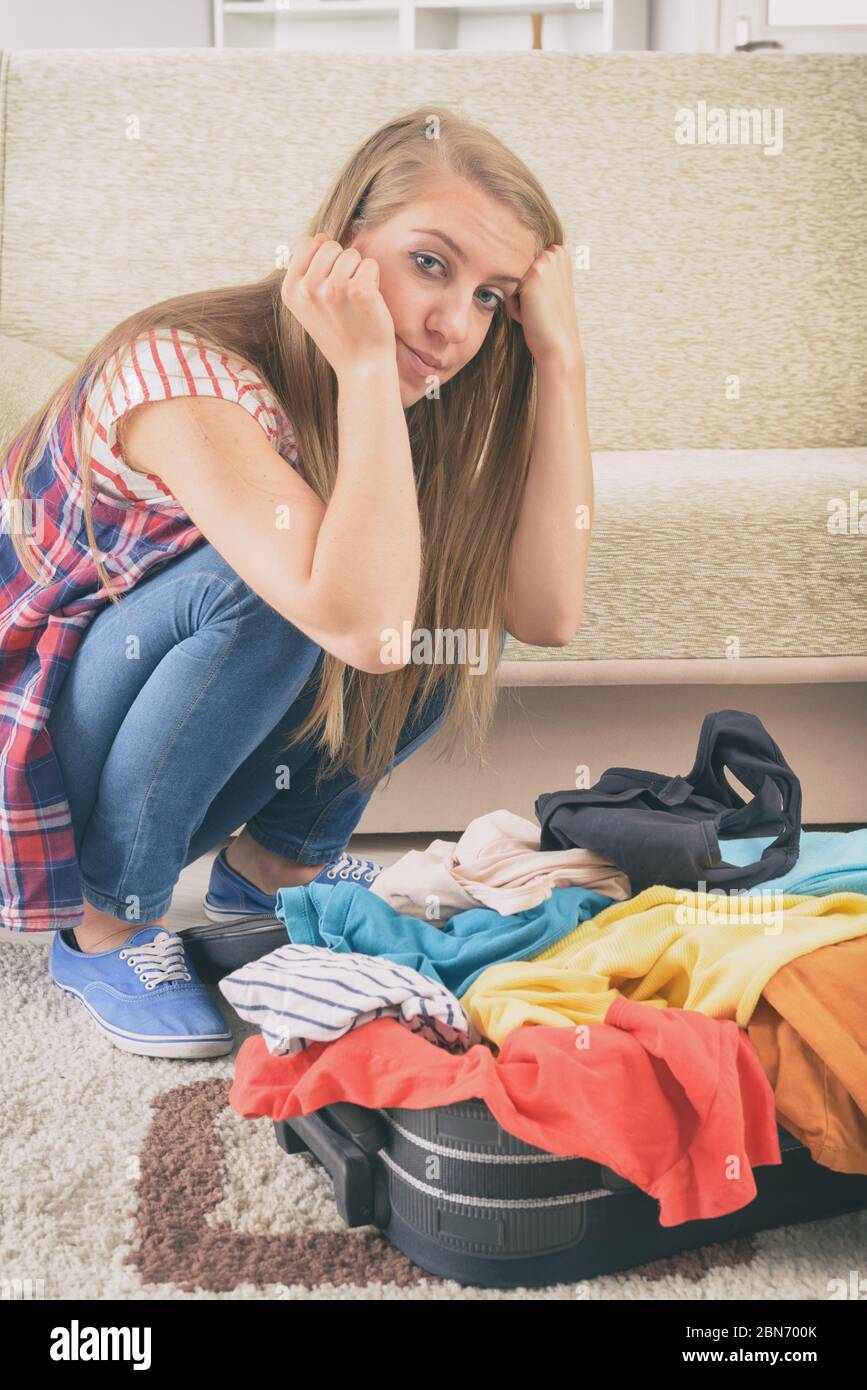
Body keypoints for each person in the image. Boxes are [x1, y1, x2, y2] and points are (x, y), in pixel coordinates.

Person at [0, 104, 593, 1059]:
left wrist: (557, 361)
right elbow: (355, 627)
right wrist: (362, 367)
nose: (452, 324)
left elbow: (546, 612)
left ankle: (274, 872)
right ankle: (105, 925)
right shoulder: (186, 372)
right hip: (27, 760)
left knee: (435, 598)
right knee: (266, 588)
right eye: (430, 264)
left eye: (492, 296)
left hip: (145, 748)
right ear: (342, 246)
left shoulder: (419, 397)